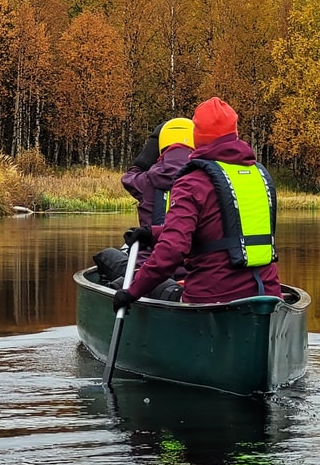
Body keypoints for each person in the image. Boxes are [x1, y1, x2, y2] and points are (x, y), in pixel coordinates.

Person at [113, 97, 281, 310]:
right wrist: (153, 233)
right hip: (267, 293)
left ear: (197, 136)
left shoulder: (193, 181)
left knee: (140, 287)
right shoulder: (259, 175)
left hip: (211, 298)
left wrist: (131, 292)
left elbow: (172, 251)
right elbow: (226, 232)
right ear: (234, 133)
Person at [121, 117, 195, 228]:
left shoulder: (147, 180)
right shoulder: (204, 179)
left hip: (154, 243)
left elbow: (128, 178)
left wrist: (145, 157)